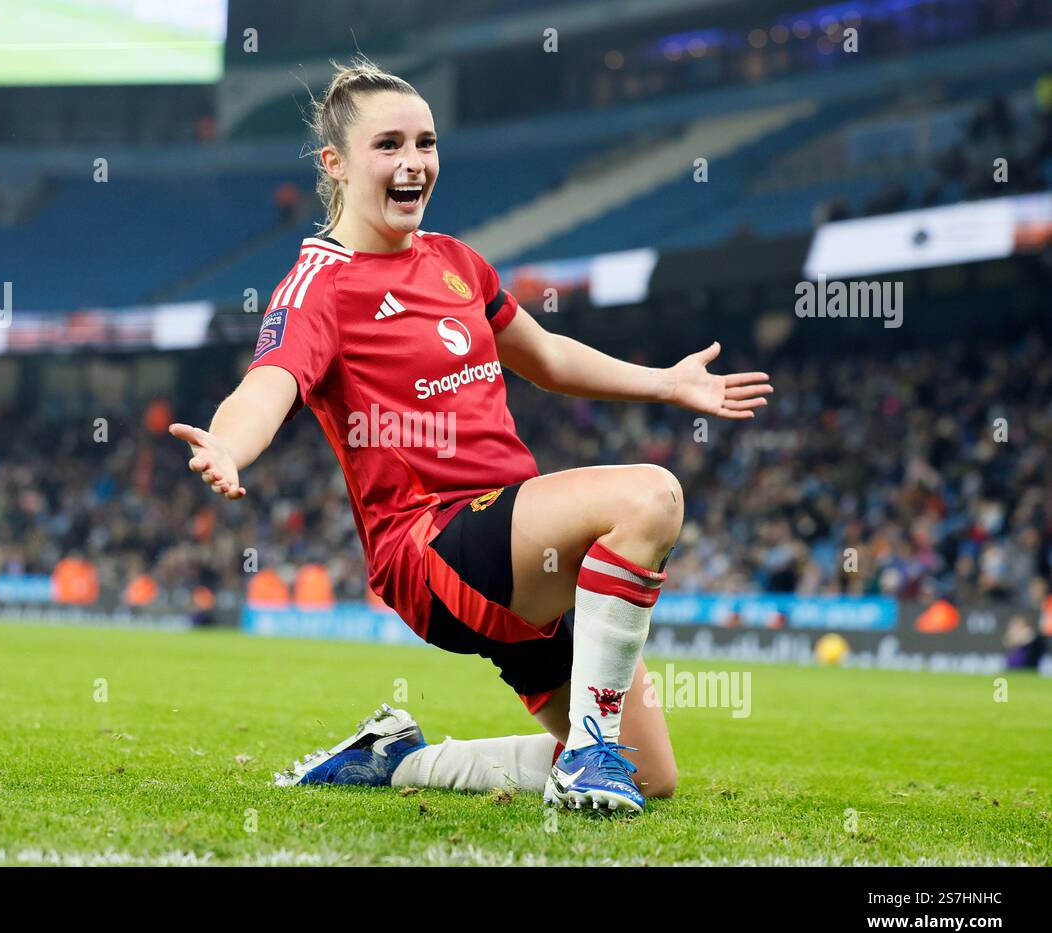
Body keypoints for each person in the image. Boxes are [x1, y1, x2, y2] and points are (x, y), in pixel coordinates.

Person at [170, 57, 772, 813]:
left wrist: (665, 382)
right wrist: (229, 444)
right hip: (432, 547)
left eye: (425, 143)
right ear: (336, 163)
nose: (414, 162)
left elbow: (547, 357)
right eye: (388, 145)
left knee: (653, 777)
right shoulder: (319, 285)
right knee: (651, 495)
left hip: (513, 544)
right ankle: (588, 753)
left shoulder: (456, 262)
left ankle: (396, 761)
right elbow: (270, 384)